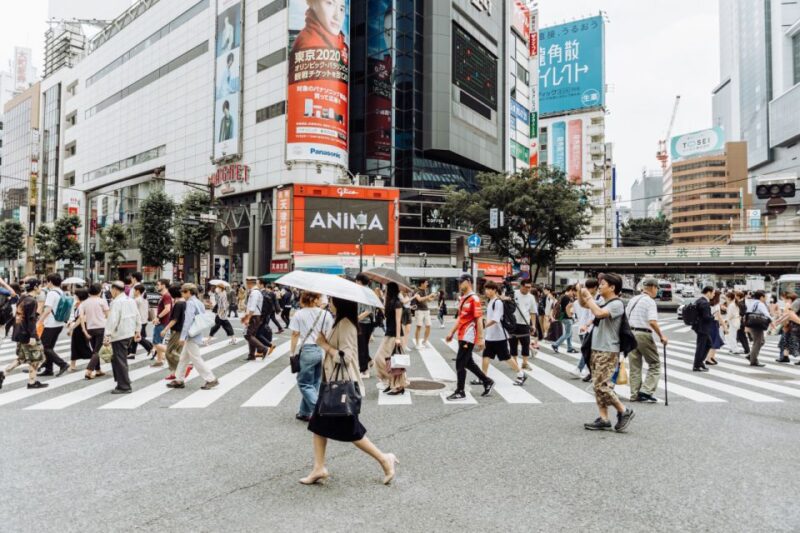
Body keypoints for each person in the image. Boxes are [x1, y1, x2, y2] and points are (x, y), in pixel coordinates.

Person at [300, 296, 399, 486]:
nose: (329, 303)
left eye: (331, 300)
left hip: (341, 385)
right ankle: (318, 467)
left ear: (340, 303)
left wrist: (324, 345)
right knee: (317, 425)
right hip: (331, 383)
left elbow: (345, 357)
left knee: (352, 431)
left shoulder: (346, 325)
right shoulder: (340, 322)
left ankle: (385, 459)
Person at [577, 273, 635, 432]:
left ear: (612, 287)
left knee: (601, 386)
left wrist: (588, 296)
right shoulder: (603, 301)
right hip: (597, 347)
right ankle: (603, 418)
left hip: (608, 349)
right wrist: (580, 292)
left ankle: (624, 410)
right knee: (597, 386)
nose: (599, 286)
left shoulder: (616, 304)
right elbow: (584, 305)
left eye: (602, 284)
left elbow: (599, 314)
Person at [445, 274, 494, 401]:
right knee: (468, 363)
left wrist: (480, 338)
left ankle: (460, 391)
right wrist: (451, 332)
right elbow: (461, 318)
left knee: (460, 363)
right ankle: (487, 381)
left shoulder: (474, 299)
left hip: (469, 335)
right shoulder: (463, 298)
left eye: (461, 282)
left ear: (468, 282)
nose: (459, 284)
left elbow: (479, 319)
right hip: (462, 334)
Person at [289, 291, 334, 421]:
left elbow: (295, 334)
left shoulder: (299, 314)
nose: (322, 300)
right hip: (321, 350)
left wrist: (292, 353)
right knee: (314, 383)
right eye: (320, 298)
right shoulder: (325, 314)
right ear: (314, 300)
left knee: (303, 383)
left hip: (307, 350)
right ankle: (304, 412)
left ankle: (319, 410)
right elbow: (329, 333)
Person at [167, 284, 219, 390]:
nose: (182, 294)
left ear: (189, 292)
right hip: (196, 332)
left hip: (190, 334)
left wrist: (182, 336)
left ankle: (211, 379)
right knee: (183, 358)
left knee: (196, 358)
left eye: (183, 292)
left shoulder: (190, 303)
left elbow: (187, 321)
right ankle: (179, 379)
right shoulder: (199, 302)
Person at [0, 279, 48, 390]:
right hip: (27, 333)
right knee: (36, 358)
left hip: (19, 332)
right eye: (40, 286)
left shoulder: (22, 298)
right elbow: (31, 320)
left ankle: (3, 373)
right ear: (35, 287)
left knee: (21, 358)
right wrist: (33, 336)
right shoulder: (32, 301)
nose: (41, 288)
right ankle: (32, 382)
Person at [625, 278, 667, 403]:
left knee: (635, 366)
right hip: (643, 334)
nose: (657, 291)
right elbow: (652, 322)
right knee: (655, 364)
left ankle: (634, 394)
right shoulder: (650, 302)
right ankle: (646, 391)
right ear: (653, 287)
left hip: (631, 333)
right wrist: (661, 336)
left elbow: (626, 318)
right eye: (657, 288)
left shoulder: (633, 300)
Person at [479, 281, 526, 385]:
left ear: (494, 290)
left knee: (507, 358)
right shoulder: (491, 301)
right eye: (485, 289)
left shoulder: (498, 302)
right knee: (485, 356)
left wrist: (483, 326)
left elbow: (496, 319)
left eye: (488, 289)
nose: (486, 291)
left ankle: (521, 374)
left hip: (499, 336)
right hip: (490, 336)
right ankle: (483, 377)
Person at [372, 282, 410, 396]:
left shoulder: (398, 303)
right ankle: (391, 382)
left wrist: (398, 338)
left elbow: (398, 321)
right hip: (388, 334)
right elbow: (386, 317)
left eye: (387, 289)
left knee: (393, 362)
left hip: (395, 336)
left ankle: (398, 386)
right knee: (381, 359)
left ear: (391, 290)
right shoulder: (390, 302)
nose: (385, 291)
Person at [104, 281, 139, 394]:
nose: (111, 293)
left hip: (119, 334)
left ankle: (124, 386)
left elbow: (112, 320)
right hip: (129, 333)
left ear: (115, 289)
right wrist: (137, 329)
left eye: (111, 290)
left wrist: (107, 334)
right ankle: (123, 380)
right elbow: (137, 315)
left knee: (119, 359)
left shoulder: (116, 302)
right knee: (118, 358)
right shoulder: (130, 300)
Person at [37, 273, 69, 377]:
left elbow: (47, 310)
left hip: (51, 324)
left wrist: (39, 321)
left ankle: (62, 364)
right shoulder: (61, 292)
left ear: (50, 282)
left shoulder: (51, 293)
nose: (46, 283)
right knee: (49, 347)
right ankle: (48, 369)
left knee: (45, 347)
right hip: (59, 323)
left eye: (46, 281)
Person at [572, 279, 599, 380]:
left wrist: (587, 324)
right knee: (586, 349)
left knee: (588, 350)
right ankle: (590, 372)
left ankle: (582, 370)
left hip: (593, 328)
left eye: (589, 288)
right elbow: (582, 305)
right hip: (587, 327)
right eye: (586, 288)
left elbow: (596, 313)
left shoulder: (599, 298)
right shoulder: (589, 297)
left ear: (595, 288)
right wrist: (579, 291)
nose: (587, 290)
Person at [163, 285, 191, 380]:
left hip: (177, 331)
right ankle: (175, 373)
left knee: (169, 352)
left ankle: (187, 365)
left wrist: (165, 329)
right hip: (184, 330)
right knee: (178, 351)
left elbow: (174, 319)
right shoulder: (186, 303)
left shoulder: (178, 304)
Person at [83, 283, 110, 380]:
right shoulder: (102, 301)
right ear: (100, 291)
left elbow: (83, 316)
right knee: (97, 351)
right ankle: (89, 371)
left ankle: (98, 370)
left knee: (94, 349)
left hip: (90, 328)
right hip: (100, 327)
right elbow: (108, 315)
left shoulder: (85, 302)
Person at [511, 279, 538, 371]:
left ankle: (525, 363)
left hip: (525, 323)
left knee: (526, 343)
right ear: (521, 286)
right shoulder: (513, 294)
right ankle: (514, 363)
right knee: (513, 343)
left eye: (529, 287)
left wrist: (533, 325)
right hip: (513, 322)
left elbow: (533, 312)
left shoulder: (531, 297)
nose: (528, 289)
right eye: (526, 287)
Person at [243, 277, 268, 361]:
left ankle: (263, 348)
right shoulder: (256, 292)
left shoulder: (254, 293)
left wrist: (247, 318)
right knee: (251, 335)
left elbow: (252, 308)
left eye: (247, 283)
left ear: (250, 283)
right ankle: (251, 355)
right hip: (255, 317)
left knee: (247, 335)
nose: (246, 285)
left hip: (254, 316)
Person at [67, 289, 92, 371]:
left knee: (82, 346)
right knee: (77, 346)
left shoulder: (83, 305)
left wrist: (72, 328)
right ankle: (73, 365)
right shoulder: (79, 304)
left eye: (76, 295)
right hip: (81, 327)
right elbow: (76, 317)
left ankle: (94, 362)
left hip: (81, 327)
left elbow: (80, 318)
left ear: (79, 296)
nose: (74, 296)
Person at [355, 273, 375, 379]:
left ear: (359, 281)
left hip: (364, 322)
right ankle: (369, 361)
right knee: (362, 345)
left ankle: (364, 370)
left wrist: (357, 318)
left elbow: (368, 310)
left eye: (356, 281)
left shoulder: (365, 292)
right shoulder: (366, 291)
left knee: (361, 346)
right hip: (365, 322)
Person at [691, 287, 716, 372]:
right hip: (703, 327)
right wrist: (713, 316)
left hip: (699, 327)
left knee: (708, 344)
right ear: (708, 292)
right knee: (701, 347)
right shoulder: (704, 303)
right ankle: (696, 365)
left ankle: (700, 362)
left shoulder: (699, 300)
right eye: (713, 293)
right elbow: (706, 317)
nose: (714, 295)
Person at [128, 284, 154, 360]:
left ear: (138, 291)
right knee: (135, 337)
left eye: (134, 291)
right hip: (144, 320)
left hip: (138, 321)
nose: (133, 292)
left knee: (138, 337)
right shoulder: (144, 299)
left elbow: (133, 312)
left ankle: (151, 348)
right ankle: (132, 353)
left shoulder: (136, 300)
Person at [745, 290, 770, 367]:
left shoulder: (751, 302)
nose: (766, 298)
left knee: (761, 341)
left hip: (752, 323)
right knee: (758, 342)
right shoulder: (760, 304)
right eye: (765, 297)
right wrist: (772, 322)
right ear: (761, 297)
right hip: (758, 324)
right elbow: (766, 314)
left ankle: (751, 355)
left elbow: (747, 313)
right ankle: (753, 360)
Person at [151, 279, 173, 366]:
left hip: (163, 322)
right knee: (158, 341)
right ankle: (159, 361)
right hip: (162, 321)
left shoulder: (166, 296)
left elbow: (167, 309)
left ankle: (173, 354)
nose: (157, 286)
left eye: (158, 284)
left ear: (163, 285)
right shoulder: (164, 295)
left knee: (156, 342)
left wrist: (158, 317)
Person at [773, 292, 800, 363]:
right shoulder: (796, 302)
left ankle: (784, 357)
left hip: (794, 326)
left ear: (789, 299)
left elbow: (788, 315)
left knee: (786, 341)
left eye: (784, 299)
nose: (784, 301)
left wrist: (781, 322)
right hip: (793, 325)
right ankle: (784, 356)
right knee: (786, 341)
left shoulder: (793, 304)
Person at [551, 286, 577, 354]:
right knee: (568, 333)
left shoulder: (562, 296)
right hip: (566, 317)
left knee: (570, 333)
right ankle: (555, 344)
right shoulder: (567, 297)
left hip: (562, 317)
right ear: (570, 290)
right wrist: (571, 317)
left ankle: (570, 348)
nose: (574, 294)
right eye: (573, 292)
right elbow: (567, 308)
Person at [412, 279, 435, 348]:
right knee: (419, 326)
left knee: (428, 326)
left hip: (426, 310)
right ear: (422, 283)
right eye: (426, 283)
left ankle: (424, 341)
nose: (427, 284)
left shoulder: (425, 290)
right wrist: (429, 295)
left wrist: (433, 297)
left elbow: (428, 300)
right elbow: (419, 299)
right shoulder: (416, 290)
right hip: (419, 310)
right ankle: (417, 343)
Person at [706, 290, 724, 366]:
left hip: (710, 323)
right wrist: (725, 326)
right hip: (714, 324)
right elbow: (719, 316)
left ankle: (712, 357)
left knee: (716, 340)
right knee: (714, 341)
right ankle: (708, 358)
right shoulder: (716, 305)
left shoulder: (709, 304)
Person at [734, 291, 751, 355]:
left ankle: (747, 349)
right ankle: (746, 349)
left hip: (740, 322)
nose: (735, 297)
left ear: (738, 296)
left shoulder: (740, 304)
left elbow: (741, 313)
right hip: (742, 321)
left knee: (742, 336)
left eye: (735, 296)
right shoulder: (742, 303)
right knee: (741, 336)